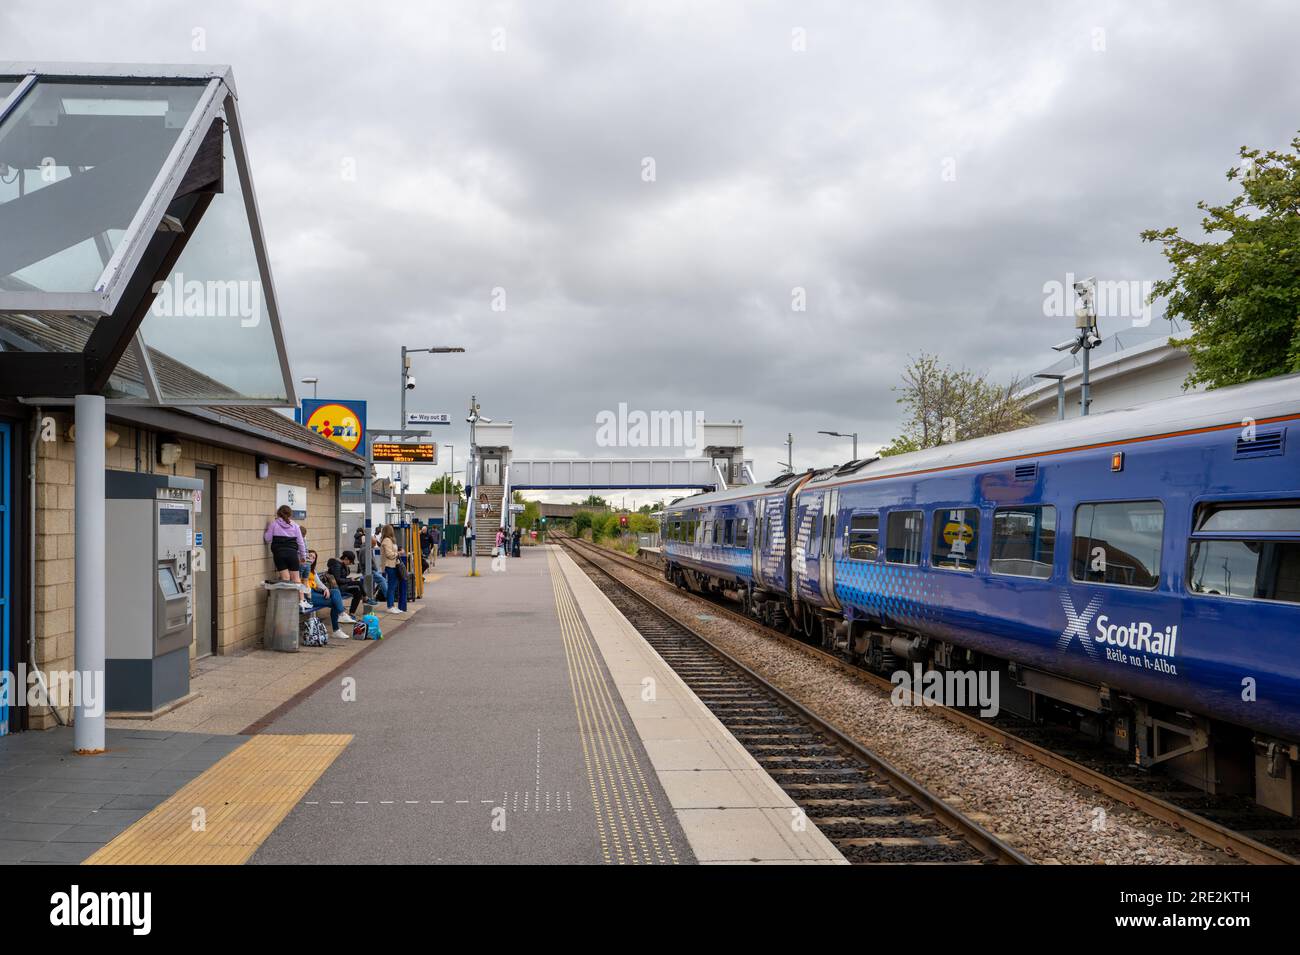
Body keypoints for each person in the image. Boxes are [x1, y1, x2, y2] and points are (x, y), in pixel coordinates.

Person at [303, 549, 353, 639]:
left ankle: (341, 615)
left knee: (335, 591)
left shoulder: (312, 570)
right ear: (306, 555)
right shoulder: (302, 567)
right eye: (310, 555)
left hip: (315, 592)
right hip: (307, 596)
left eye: (314, 557)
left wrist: (325, 589)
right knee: (335, 603)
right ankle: (337, 628)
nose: (312, 558)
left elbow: (319, 583)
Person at [264, 505, 306, 585]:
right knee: (296, 579)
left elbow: (267, 539)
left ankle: (287, 597)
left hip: (279, 554)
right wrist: (303, 556)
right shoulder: (295, 526)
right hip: (292, 554)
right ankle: (301, 598)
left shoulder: (274, 524)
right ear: (290, 514)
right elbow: (301, 543)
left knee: (285, 579)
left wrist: (267, 532)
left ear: (278, 514)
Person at [380, 525, 407, 614]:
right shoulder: (387, 540)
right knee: (391, 587)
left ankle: (391, 605)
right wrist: (398, 553)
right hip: (390, 566)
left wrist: (397, 551)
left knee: (393, 586)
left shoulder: (389, 540)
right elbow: (389, 554)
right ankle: (390, 606)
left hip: (393, 565)